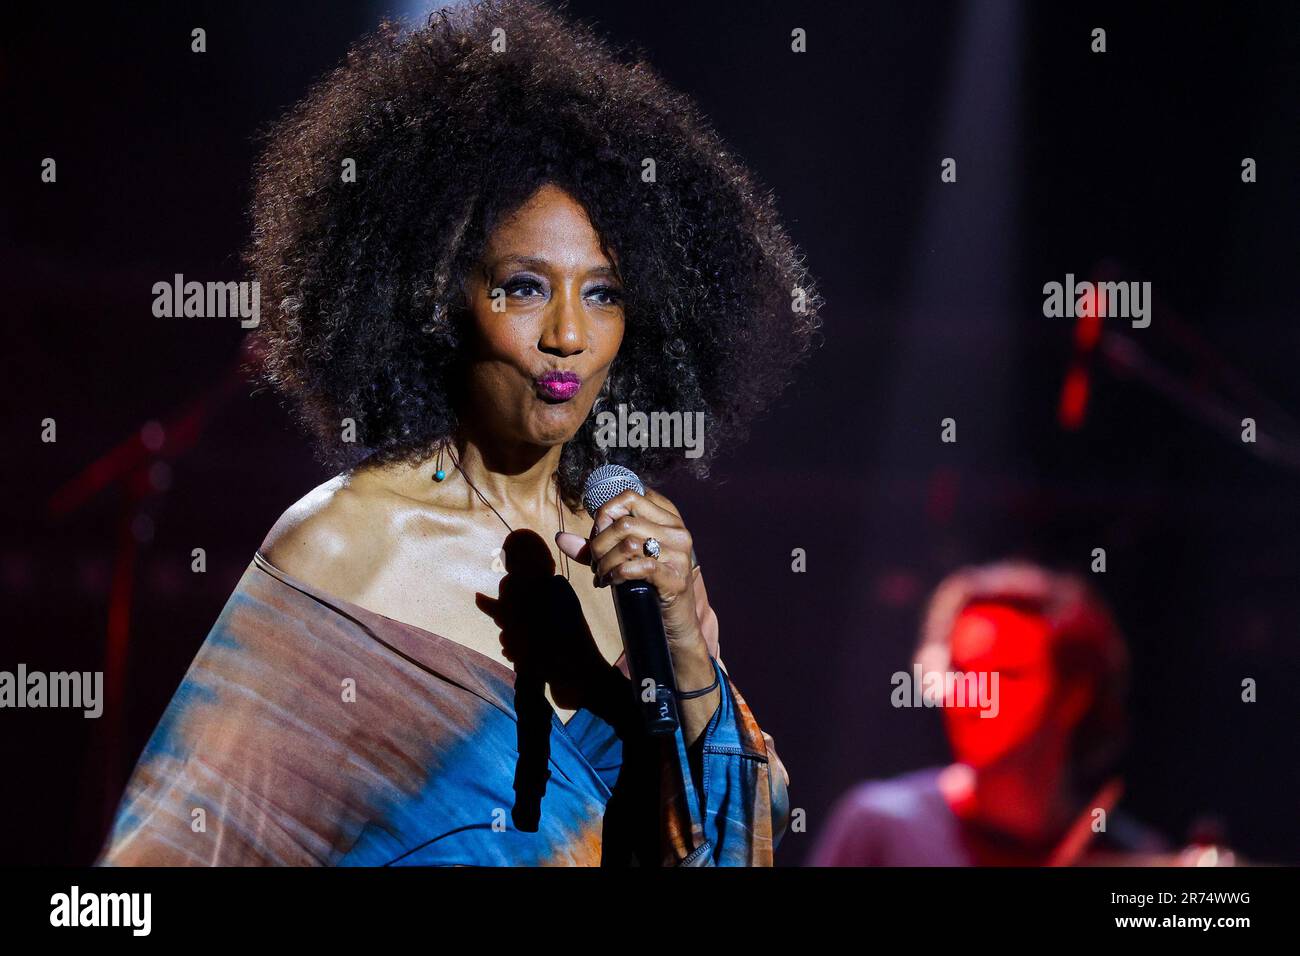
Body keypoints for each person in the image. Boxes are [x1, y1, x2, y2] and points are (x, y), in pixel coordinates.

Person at [97, 0, 818, 866]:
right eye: (522, 286)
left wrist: (688, 638)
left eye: (603, 292)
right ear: (439, 300)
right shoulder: (345, 545)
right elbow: (160, 861)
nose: (567, 336)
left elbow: (752, 827)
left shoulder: (639, 549)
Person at [809, 561, 1167, 866]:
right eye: (962, 672)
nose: (973, 697)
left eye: (1005, 676)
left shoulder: (1131, 855)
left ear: (1074, 694)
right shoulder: (881, 827)